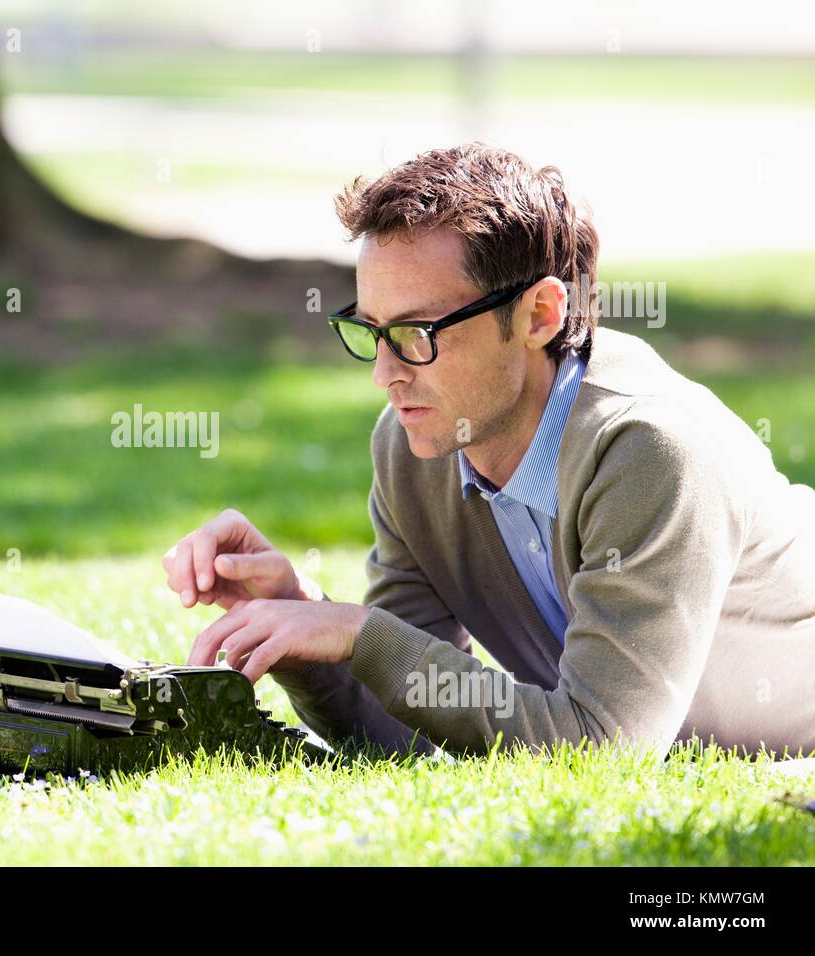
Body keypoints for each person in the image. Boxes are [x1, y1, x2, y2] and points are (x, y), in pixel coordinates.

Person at [161, 143, 815, 760]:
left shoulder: (648, 450)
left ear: (538, 316)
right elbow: (407, 722)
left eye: (418, 332)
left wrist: (363, 634)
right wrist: (302, 626)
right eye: (372, 331)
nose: (384, 374)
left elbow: (601, 744)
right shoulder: (414, 448)